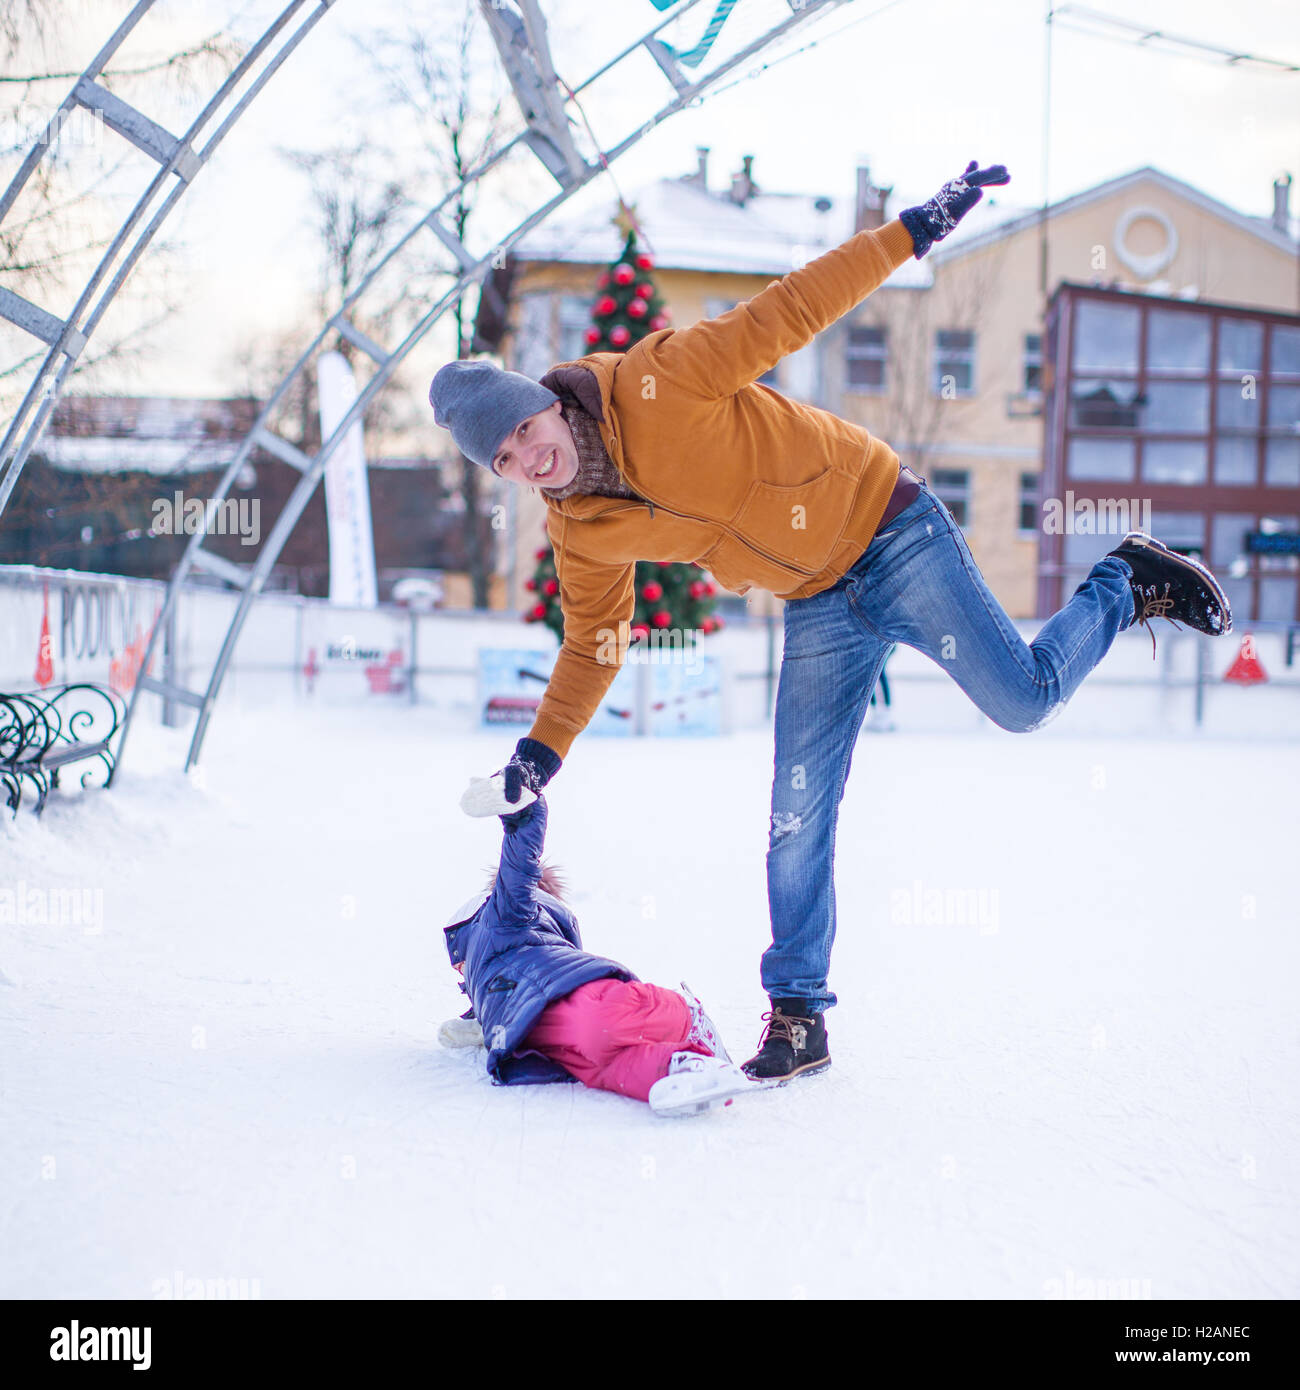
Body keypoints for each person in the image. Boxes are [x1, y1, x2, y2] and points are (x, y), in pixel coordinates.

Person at [430, 159, 1233, 1086]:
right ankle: (799, 1011)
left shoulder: (658, 381)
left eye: (524, 434)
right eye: (503, 462)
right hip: (817, 602)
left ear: (543, 402)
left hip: (892, 531)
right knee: (796, 811)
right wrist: (542, 751)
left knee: (1024, 701)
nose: (528, 460)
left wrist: (910, 233)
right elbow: (595, 642)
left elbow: (790, 307)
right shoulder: (582, 532)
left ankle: (1123, 584)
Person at [441, 786, 751, 1116]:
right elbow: (499, 1003)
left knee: (600, 1024)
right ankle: (683, 1068)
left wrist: (523, 817)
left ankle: (689, 1012)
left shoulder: (505, 921)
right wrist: (479, 1026)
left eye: (457, 960)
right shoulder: (496, 983)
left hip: (601, 1005)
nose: (459, 971)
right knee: (602, 1068)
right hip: (568, 1043)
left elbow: (518, 872)